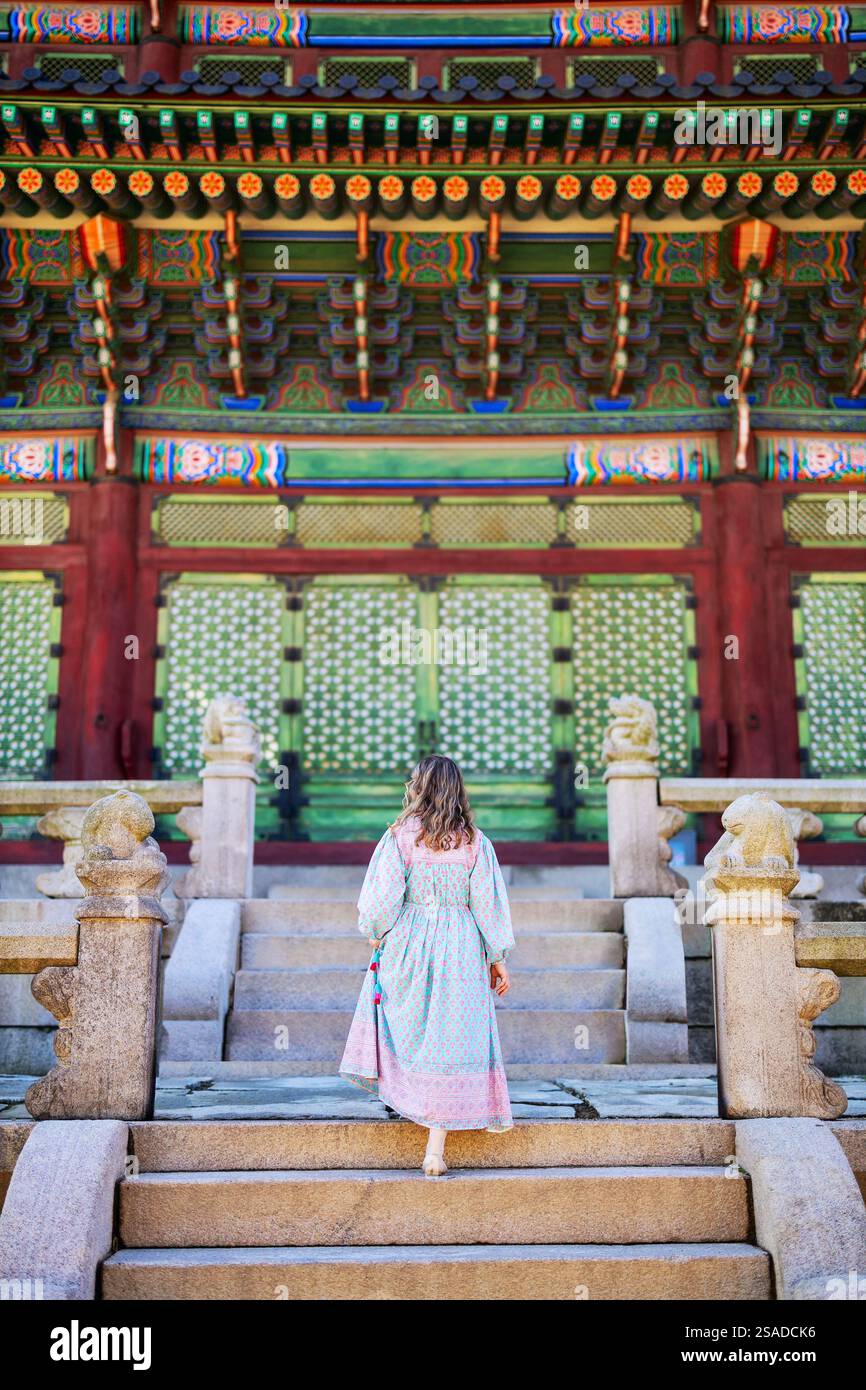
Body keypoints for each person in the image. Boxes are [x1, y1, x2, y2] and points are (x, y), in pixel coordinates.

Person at [339, 755, 514, 1175]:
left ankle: (413, 1107)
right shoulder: (474, 841)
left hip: (409, 939)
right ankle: (435, 1146)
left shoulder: (400, 836)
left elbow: (383, 899)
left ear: (418, 787)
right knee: (449, 1035)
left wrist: (378, 930)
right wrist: (496, 957)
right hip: (461, 942)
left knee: (412, 1027)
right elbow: (486, 904)